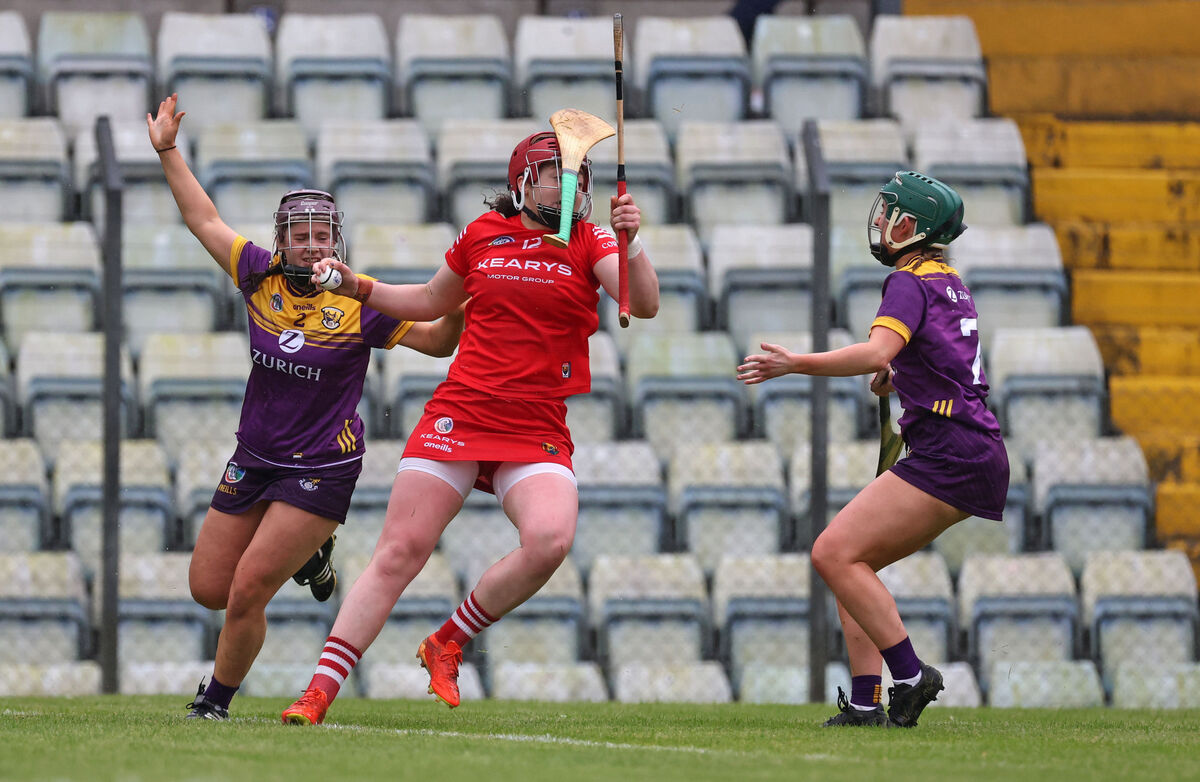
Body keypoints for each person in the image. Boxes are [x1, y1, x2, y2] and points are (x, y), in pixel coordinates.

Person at [280, 128, 659, 724]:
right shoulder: (482, 234)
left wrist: (633, 242)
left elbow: (644, 302)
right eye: (550, 173)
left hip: (535, 423)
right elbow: (430, 301)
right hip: (462, 412)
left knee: (550, 541)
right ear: (521, 181)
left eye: (575, 176)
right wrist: (358, 286)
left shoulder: (594, 238)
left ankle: (448, 641)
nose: (565, 185)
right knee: (399, 553)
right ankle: (318, 693)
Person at [146, 94, 465, 721]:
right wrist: (167, 150)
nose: (312, 245)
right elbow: (203, 220)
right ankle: (314, 556)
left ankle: (214, 703)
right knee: (207, 588)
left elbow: (436, 342)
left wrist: (458, 300)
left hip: (321, 465)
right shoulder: (257, 275)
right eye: (301, 235)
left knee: (246, 591)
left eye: (323, 235)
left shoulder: (358, 299)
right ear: (282, 242)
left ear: (336, 241)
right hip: (255, 455)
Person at [738, 171, 1009, 728]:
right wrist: (901, 375)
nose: (881, 222)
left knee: (832, 554)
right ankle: (865, 704)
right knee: (850, 562)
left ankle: (909, 677)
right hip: (970, 448)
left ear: (913, 226)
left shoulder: (908, 282)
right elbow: (933, 358)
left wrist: (796, 364)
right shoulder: (949, 279)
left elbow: (875, 351)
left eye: (890, 213)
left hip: (951, 450)